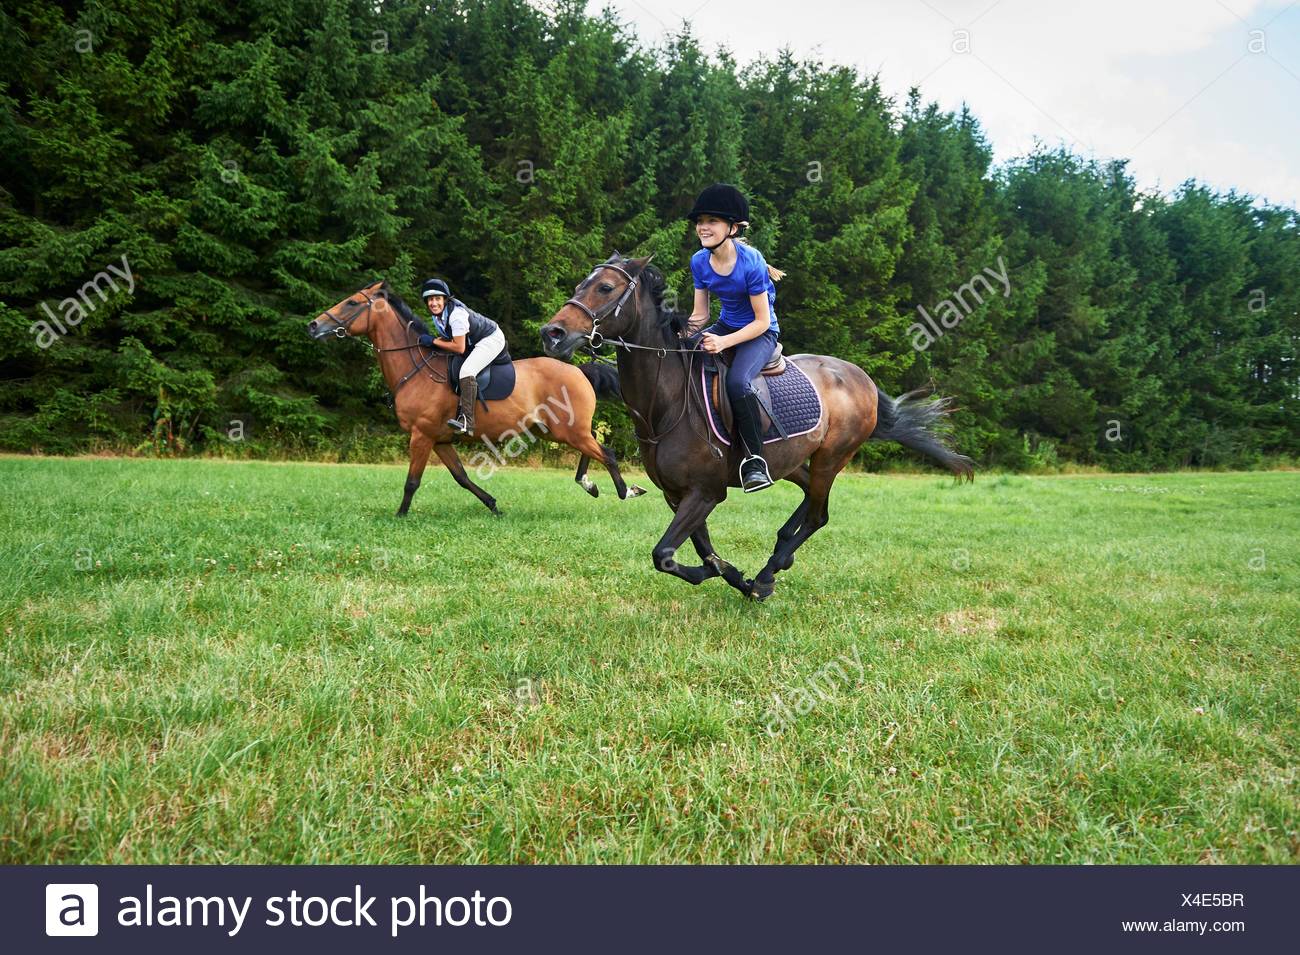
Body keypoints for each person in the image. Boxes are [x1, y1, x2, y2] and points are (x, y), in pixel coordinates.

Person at [685, 183, 785, 492]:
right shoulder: (699, 261)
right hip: (726, 325)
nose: (703, 227)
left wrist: (723, 342)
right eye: (701, 221)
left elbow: (760, 321)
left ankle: (755, 460)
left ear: (732, 227)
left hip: (760, 333)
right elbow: (700, 316)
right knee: (682, 357)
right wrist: (680, 336)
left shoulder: (751, 262)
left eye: (712, 221)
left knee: (738, 382)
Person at [417, 278, 507, 435]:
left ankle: (467, 421)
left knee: (467, 371)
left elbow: (459, 347)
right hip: (472, 342)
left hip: (490, 338)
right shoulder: (437, 316)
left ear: (445, 299)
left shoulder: (456, 315)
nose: (434, 303)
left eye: (437, 298)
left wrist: (433, 341)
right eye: (430, 300)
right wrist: (436, 342)